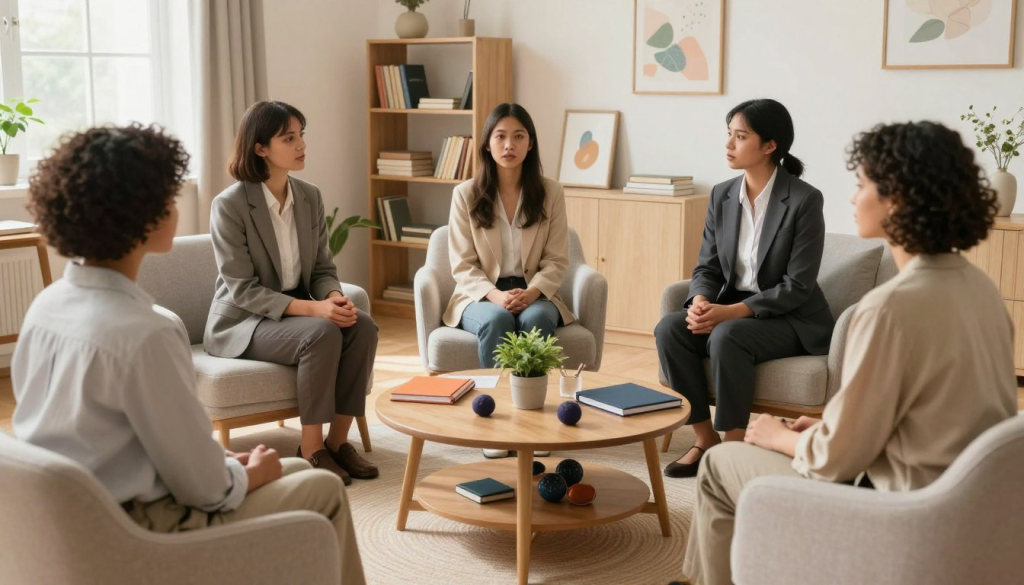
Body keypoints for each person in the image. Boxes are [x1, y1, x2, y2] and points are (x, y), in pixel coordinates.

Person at [13, 124, 365, 584]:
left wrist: (226, 465)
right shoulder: (147, 333)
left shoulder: (44, 307)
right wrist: (246, 472)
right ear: (148, 214)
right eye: (168, 195)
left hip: (71, 515)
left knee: (296, 467)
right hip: (138, 529)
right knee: (319, 487)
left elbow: (128, 444)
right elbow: (206, 490)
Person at [680, 121, 1018, 585]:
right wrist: (825, 426)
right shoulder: (981, 289)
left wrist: (777, 436)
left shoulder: (885, 310)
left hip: (898, 507)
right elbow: (937, 411)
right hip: (966, 500)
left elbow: (833, 461)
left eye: (861, 186)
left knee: (720, 463)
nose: (853, 198)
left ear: (896, 200)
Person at [655, 99, 834, 478]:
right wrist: (701, 301)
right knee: (670, 329)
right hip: (731, 306)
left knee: (728, 336)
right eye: (729, 135)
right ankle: (705, 440)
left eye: (740, 136)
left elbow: (797, 285)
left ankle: (734, 450)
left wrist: (730, 313)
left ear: (770, 146)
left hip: (791, 316)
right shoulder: (722, 194)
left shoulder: (803, 199)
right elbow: (708, 265)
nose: (729, 145)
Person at [206, 101, 379, 484]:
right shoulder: (230, 205)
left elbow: (321, 269)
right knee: (321, 332)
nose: (301, 145)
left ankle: (338, 442)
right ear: (260, 148)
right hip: (244, 321)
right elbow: (242, 289)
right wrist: (315, 311)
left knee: (362, 326)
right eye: (289, 138)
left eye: (302, 135)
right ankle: (311, 448)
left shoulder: (309, 196)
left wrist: (331, 296)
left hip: (296, 312)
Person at [444, 102, 573, 459]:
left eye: (518, 136)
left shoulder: (551, 192)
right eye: (500, 136)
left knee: (534, 321)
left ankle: (534, 428)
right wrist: (495, 296)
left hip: (536, 290)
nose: (508, 145)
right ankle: (496, 427)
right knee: (499, 320)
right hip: (480, 294)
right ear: (487, 143)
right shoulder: (465, 194)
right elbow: (462, 264)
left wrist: (533, 293)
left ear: (530, 144)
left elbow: (558, 259)